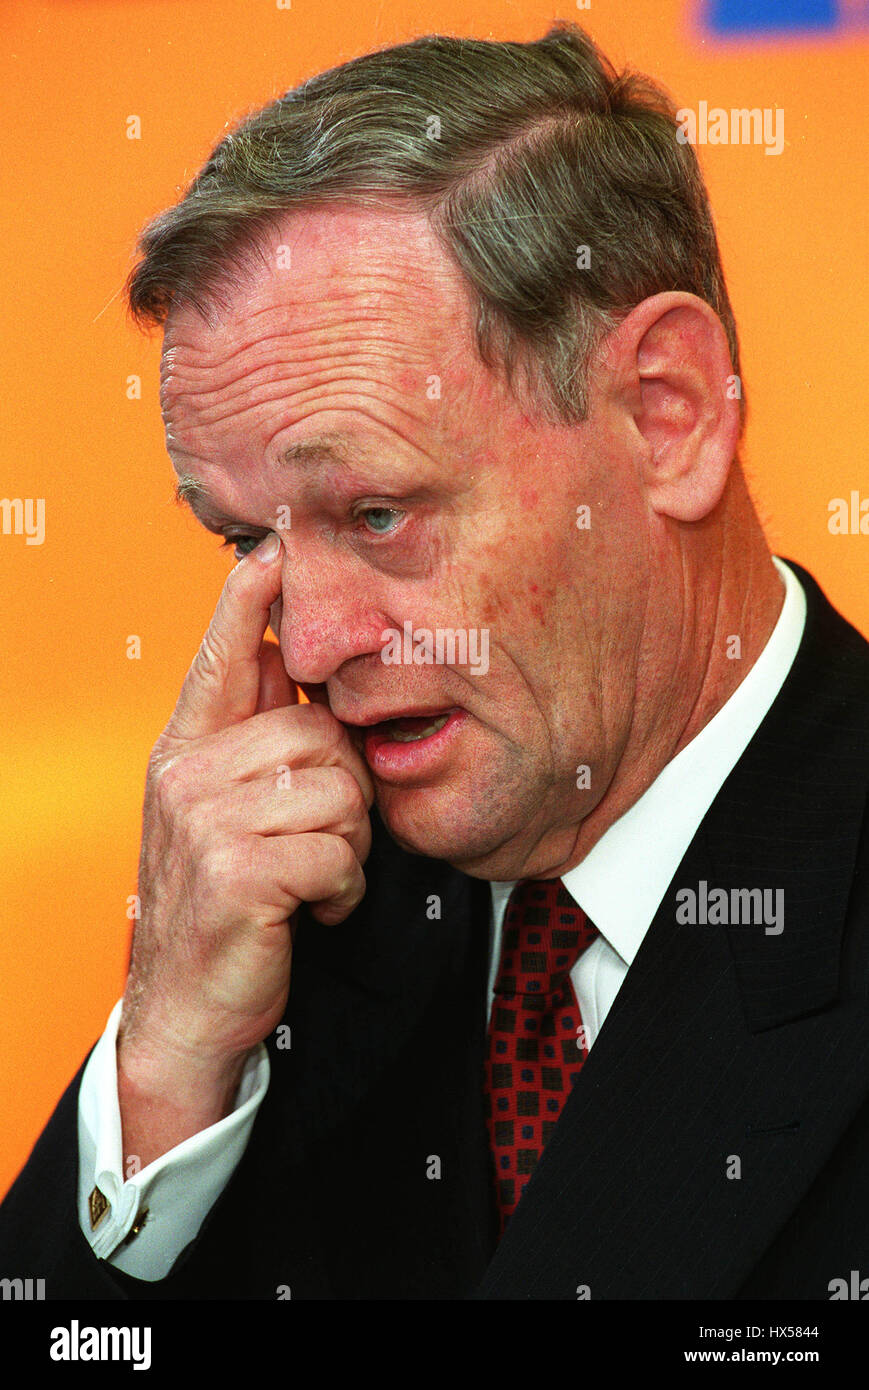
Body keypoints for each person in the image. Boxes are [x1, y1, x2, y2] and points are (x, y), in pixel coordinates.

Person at [1, 22, 867, 1301]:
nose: (311, 642)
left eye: (375, 514)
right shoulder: (276, 941)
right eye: (246, 540)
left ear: (665, 418)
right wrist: (170, 1063)